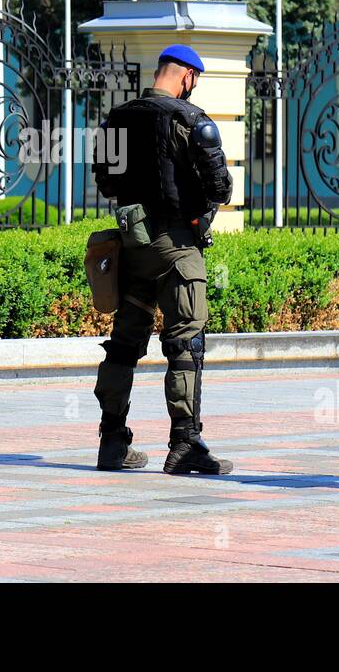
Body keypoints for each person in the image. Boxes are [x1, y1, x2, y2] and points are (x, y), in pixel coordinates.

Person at [90, 45, 234, 474]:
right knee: (186, 344)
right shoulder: (192, 122)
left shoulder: (117, 118)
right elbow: (221, 187)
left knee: (123, 345)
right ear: (187, 76)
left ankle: (112, 442)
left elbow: (105, 180)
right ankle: (185, 444)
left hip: (132, 245)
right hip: (177, 247)